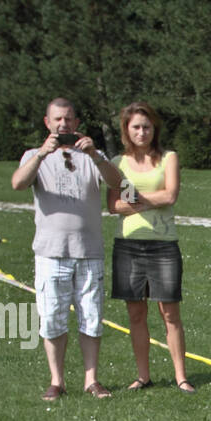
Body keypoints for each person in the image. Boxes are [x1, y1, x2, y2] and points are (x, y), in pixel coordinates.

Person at [11, 97, 125, 400]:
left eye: (69, 119)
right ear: (48, 123)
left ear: (77, 123)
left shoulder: (93, 154)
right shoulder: (33, 155)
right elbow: (18, 184)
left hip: (88, 251)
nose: (64, 125)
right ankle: (57, 381)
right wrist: (41, 156)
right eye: (58, 120)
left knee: (91, 316)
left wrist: (96, 156)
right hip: (51, 252)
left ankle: (92, 380)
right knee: (52, 318)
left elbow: (120, 184)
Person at [105, 102, 194, 393]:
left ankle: (181, 376)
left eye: (147, 126)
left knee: (170, 313)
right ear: (126, 130)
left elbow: (170, 195)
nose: (142, 132)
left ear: (154, 128)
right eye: (136, 127)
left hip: (163, 245)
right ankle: (143, 376)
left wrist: (137, 200)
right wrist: (145, 201)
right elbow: (113, 206)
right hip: (128, 246)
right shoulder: (117, 163)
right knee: (136, 314)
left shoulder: (168, 158)